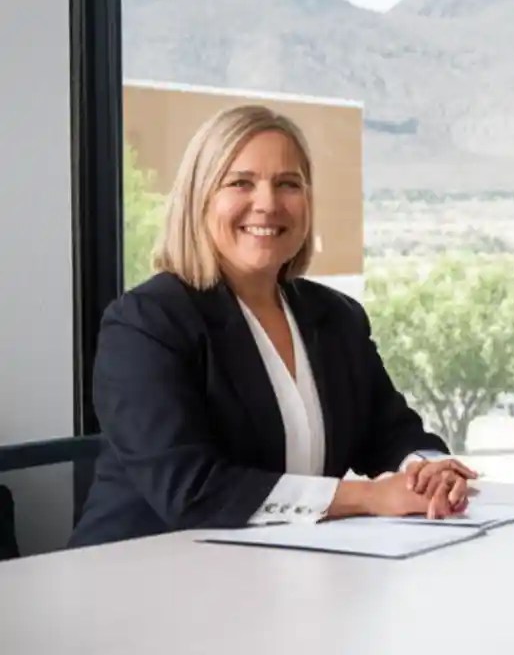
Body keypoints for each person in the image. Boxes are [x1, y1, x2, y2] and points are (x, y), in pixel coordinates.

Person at [70, 105, 476, 548]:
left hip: (279, 574)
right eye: (240, 182)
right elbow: (190, 489)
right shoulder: (146, 322)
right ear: (199, 198)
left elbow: (391, 432)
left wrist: (428, 470)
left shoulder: (337, 317)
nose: (267, 203)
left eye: (288, 184)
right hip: (136, 577)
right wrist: (369, 497)